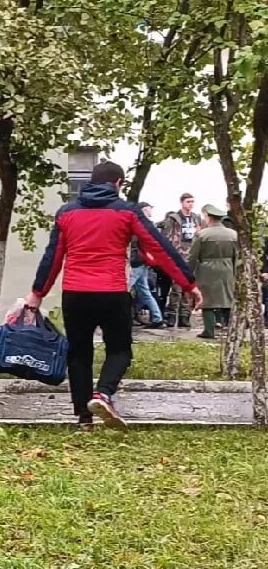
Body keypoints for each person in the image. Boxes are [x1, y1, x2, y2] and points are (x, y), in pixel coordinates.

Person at [27, 161, 199, 429]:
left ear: (91, 182)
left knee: (79, 354)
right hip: (112, 293)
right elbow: (160, 247)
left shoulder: (66, 213)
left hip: (75, 294)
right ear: (119, 183)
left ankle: (84, 418)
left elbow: (53, 257)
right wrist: (188, 283)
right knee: (120, 351)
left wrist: (37, 293)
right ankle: (103, 394)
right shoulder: (127, 212)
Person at [190, 204, 238, 340]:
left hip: (206, 269)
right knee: (227, 299)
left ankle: (209, 331)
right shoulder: (233, 234)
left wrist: (188, 272)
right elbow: (237, 255)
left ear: (209, 218)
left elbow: (193, 256)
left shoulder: (201, 234)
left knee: (207, 300)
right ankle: (231, 330)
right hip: (228, 268)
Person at [159, 194, 201, 327]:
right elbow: (166, 237)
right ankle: (172, 315)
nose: (191, 204)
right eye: (188, 201)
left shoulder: (196, 218)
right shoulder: (174, 219)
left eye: (192, 202)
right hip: (177, 254)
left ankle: (185, 316)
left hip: (191, 254)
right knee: (176, 287)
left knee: (188, 287)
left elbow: (200, 234)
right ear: (182, 203)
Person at [128, 202, 164, 328]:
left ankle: (116, 316)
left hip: (135, 261)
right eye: (149, 208)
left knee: (124, 288)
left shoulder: (137, 224)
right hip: (142, 260)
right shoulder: (147, 224)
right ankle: (157, 317)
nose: (151, 211)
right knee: (145, 291)